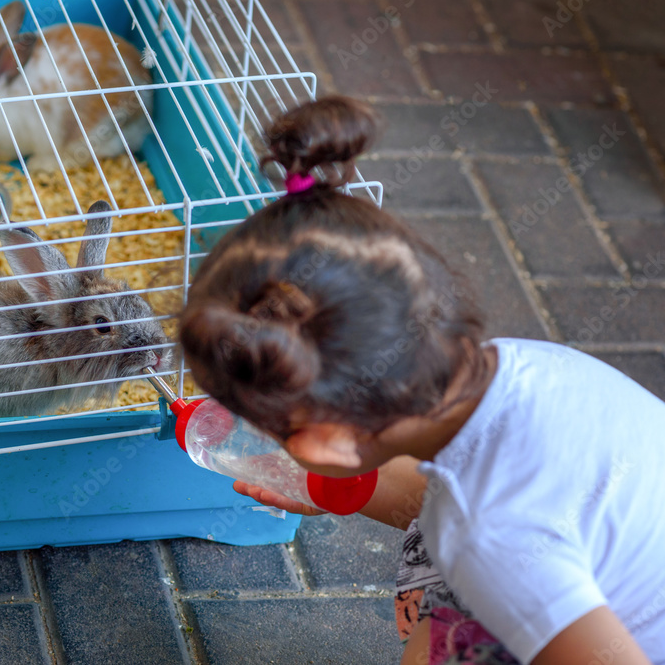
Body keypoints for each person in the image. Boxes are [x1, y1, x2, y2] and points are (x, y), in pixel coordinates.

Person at [178, 96, 665, 664]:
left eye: (271, 428)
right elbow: (469, 486)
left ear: (324, 443)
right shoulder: (520, 365)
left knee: (441, 637)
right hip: (597, 575)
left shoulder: (487, 539)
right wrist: (341, 486)